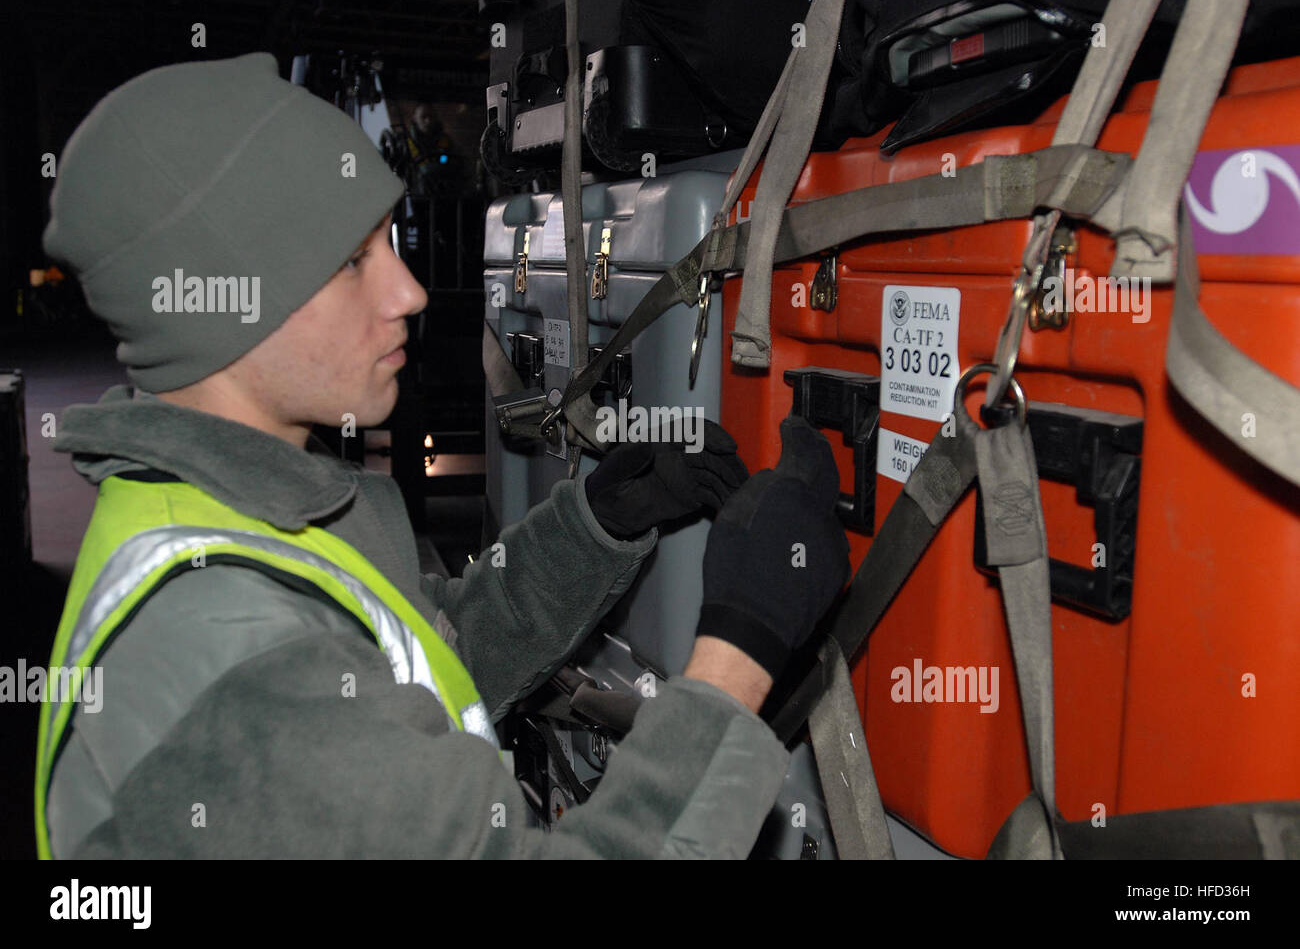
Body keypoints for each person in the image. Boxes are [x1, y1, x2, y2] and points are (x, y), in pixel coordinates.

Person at [35, 52, 850, 858]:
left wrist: (594, 524)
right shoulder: (234, 660)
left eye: (390, 239)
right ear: (223, 308)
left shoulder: (234, 504)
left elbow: (423, 663)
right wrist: (740, 649)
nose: (410, 291)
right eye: (353, 260)